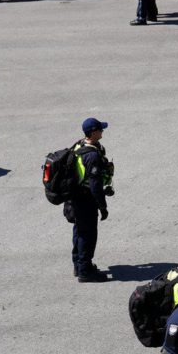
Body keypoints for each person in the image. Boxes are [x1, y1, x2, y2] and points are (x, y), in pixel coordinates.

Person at [69, 117, 113, 283]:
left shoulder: (79, 145)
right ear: (93, 132)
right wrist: (102, 206)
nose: (102, 132)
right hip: (85, 199)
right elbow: (95, 185)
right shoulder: (92, 155)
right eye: (100, 130)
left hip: (74, 196)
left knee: (79, 232)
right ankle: (85, 271)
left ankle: (79, 265)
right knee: (87, 235)